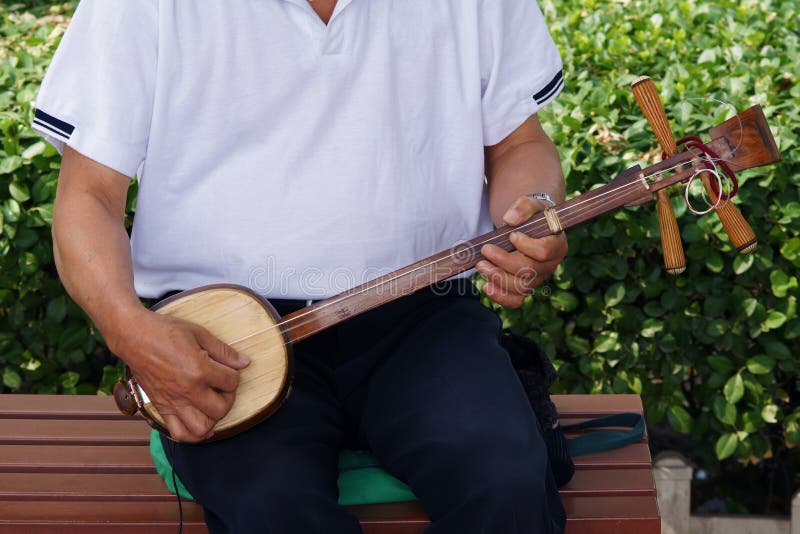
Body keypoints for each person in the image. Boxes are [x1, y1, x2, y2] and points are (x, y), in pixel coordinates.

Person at [34, 0, 569, 532]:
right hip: (223, 338)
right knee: (276, 512)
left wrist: (532, 214)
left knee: (507, 492)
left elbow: (519, 144)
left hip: (426, 320)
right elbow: (88, 195)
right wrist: (130, 330)